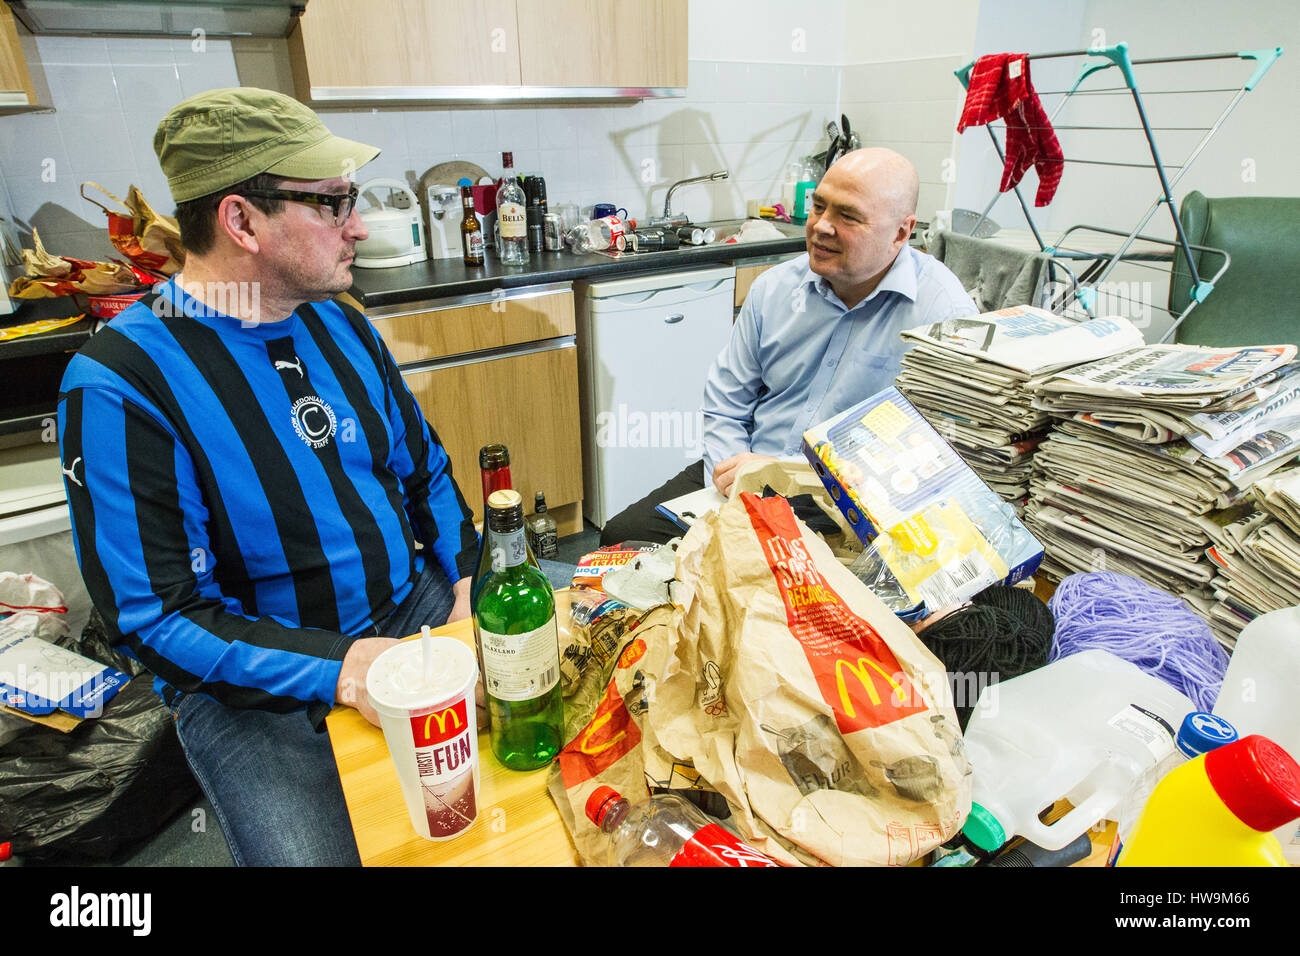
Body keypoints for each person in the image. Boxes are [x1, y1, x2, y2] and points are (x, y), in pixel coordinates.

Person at [57, 88, 547, 866]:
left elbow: (422, 471)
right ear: (240, 222)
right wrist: (347, 669)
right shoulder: (123, 382)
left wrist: (463, 580)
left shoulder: (340, 318)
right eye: (331, 204)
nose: (356, 225)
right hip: (255, 689)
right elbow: (154, 619)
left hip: (413, 608)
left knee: (529, 787)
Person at [600, 148, 978, 545]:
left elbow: (933, 455)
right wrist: (740, 485)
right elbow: (727, 400)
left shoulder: (942, 316)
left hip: (843, 501)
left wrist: (786, 471)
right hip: (744, 471)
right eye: (818, 206)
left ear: (902, 232)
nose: (822, 227)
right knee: (622, 540)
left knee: (763, 590)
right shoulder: (775, 288)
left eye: (847, 216)